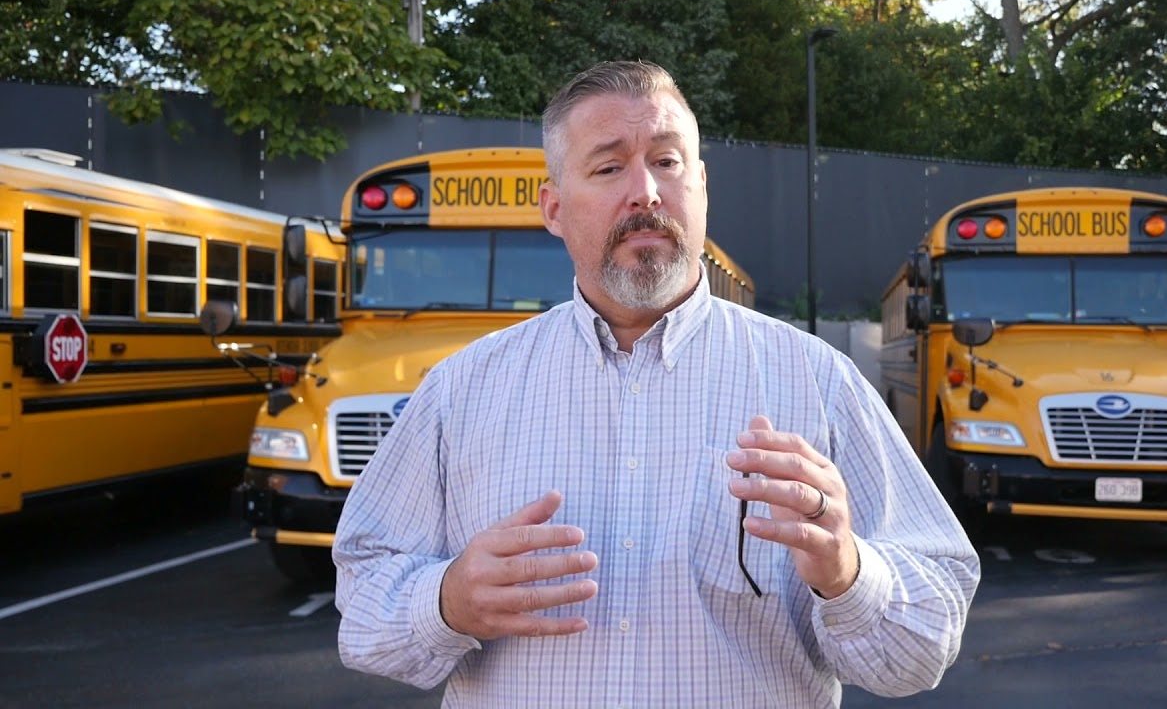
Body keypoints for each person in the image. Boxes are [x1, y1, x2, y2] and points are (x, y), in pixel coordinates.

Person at [333, 59, 980, 707]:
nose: (645, 190)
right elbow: (362, 606)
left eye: (667, 162)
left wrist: (847, 574)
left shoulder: (818, 385)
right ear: (554, 208)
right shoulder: (460, 393)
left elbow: (922, 648)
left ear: (700, 187)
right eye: (609, 167)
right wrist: (446, 602)